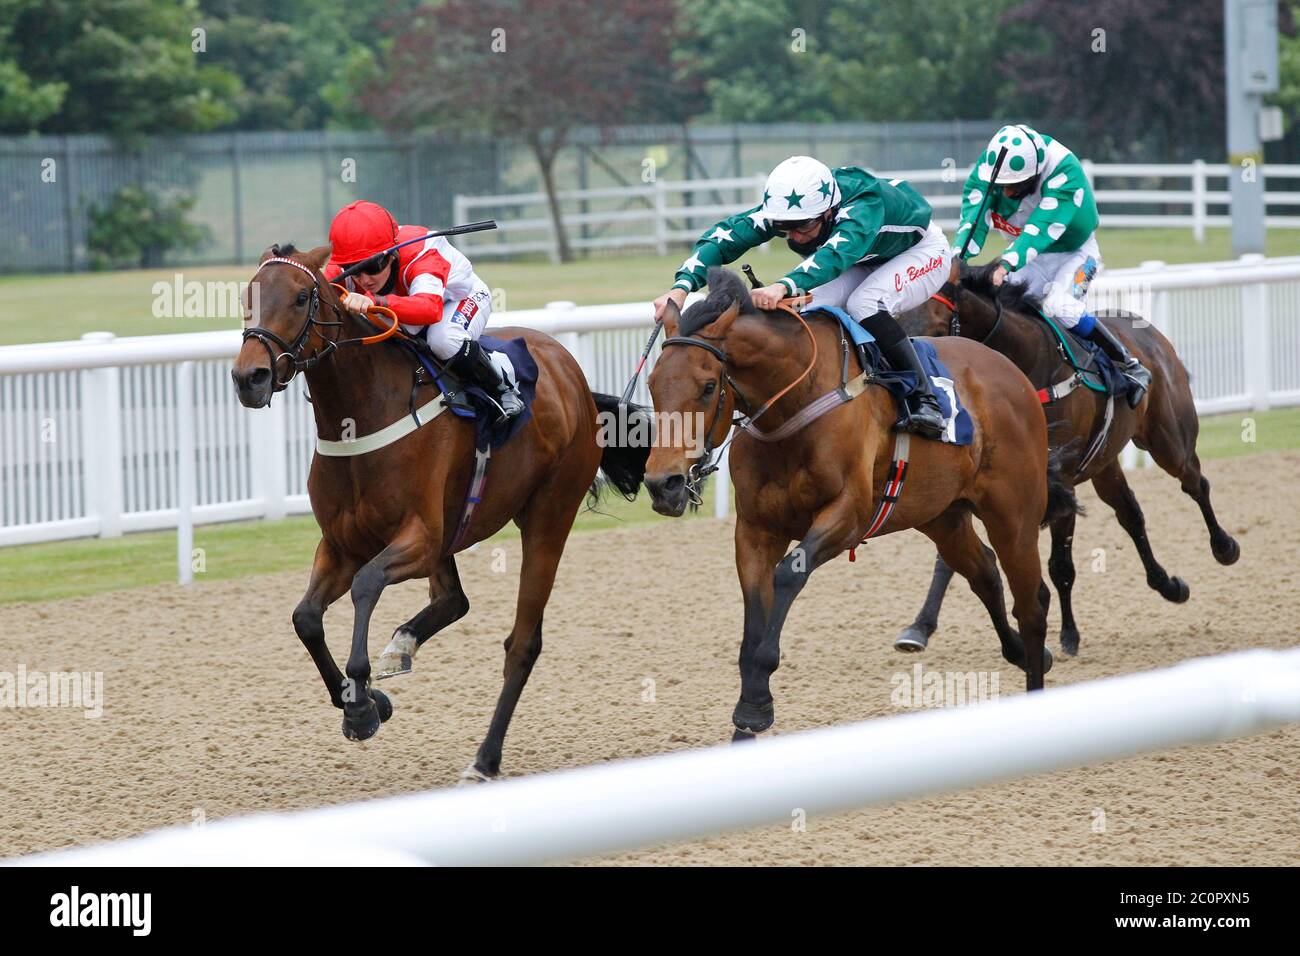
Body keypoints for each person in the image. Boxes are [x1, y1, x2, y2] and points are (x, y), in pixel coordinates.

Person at [653, 155, 951, 438]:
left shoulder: (863, 206)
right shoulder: (795, 208)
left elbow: (835, 256)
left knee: (864, 302)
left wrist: (782, 285)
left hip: (921, 253)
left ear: (829, 211)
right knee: (810, 308)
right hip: (864, 257)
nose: (795, 236)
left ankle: (926, 398)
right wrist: (682, 286)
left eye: (803, 226)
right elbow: (724, 236)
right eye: (784, 229)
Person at [953, 124, 1150, 406]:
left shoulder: (1065, 171)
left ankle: (1128, 364)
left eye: (1015, 187)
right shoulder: (990, 169)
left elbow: (1039, 230)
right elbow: (972, 223)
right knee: (1000, 308)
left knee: (1059, 307)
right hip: (1028, 256)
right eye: (1002, 187)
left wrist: (1006, 264)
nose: (1007, 194)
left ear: (1035, 174)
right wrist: (954, 262)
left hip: (1075, 253)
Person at [324, 199, 523, 422]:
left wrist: (374, 302)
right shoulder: (349, 259)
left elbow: (429, 309)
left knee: (443, 339)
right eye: (353, 269)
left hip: (459, 298)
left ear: (391, 255)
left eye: (371, 267)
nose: (364, 279)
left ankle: (502, 388)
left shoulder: (421, 255)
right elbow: (316, 288)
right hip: (409, 302)